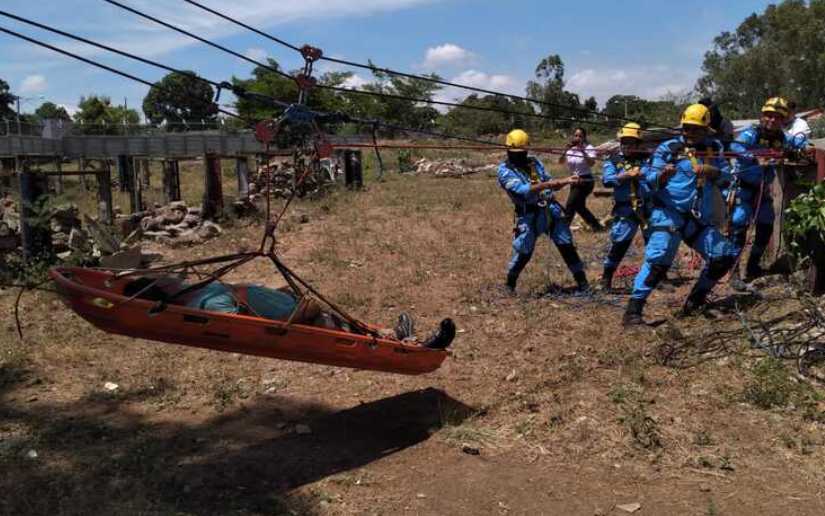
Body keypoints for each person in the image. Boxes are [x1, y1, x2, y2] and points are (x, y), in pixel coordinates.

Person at [623, 104, 738, 326]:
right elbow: (650, 178)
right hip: (668, 214)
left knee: (722, 256)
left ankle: (695, 301)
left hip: (697, 218)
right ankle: (633, 312)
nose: (690, 133)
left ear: (706, 129)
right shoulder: (668, 148)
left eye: (696, 129)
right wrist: (663, 176)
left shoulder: (713, 149)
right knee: (658, 261)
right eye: (687, 128)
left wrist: (712, 172)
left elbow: (728, 177)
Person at [726, 97, 811, 288]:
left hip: (763, 189)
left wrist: (803, 146)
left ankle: (753, 266)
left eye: (777, 117)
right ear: (762, 116)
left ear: (783, 120)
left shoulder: (781, 137)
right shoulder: (752, 133)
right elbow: (735, 147)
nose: (772, 120)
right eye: (769, 116)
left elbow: (796, 141)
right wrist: (755, 158)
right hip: (744, 188)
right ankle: (733, 273)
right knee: (739, 227)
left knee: (766, 227)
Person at [498, 129, 589, 293]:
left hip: (550, 209)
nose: (519, 156)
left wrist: (567, 181)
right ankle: (510, 284)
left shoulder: (533, 162)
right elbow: (524, 190)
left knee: (566, 244)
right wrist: (553, 184)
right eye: (515, 153)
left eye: (522, 152)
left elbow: (549, 181)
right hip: (528, 214)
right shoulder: (504, 170)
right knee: (524, 251)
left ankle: (582, 283)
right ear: (508, 151)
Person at [600, 122, 650, 291]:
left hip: (646, 207)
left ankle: (658, 277)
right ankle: (606, 278)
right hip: (626, 208)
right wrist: (626, 175)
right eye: (624, 142)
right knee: (620, 244)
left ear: (638, 143)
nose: (627, 145)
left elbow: (653, 177)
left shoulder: (646, 159)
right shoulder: (613, 160)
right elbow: (607, 180)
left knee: (653, 243)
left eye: (631, 142)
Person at [558, 127, 605, 231]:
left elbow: (592, 163)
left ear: (584, 137)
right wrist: (565, 150)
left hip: (585, 180)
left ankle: (564, 228)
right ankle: (596, 226)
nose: (577, 138)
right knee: (579, 206)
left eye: (580, 136)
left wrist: (583, 151)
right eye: (576, 135)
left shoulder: (589, 148)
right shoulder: (570, 149)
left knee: (571, 203)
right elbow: (560, 162)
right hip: (574, 180)